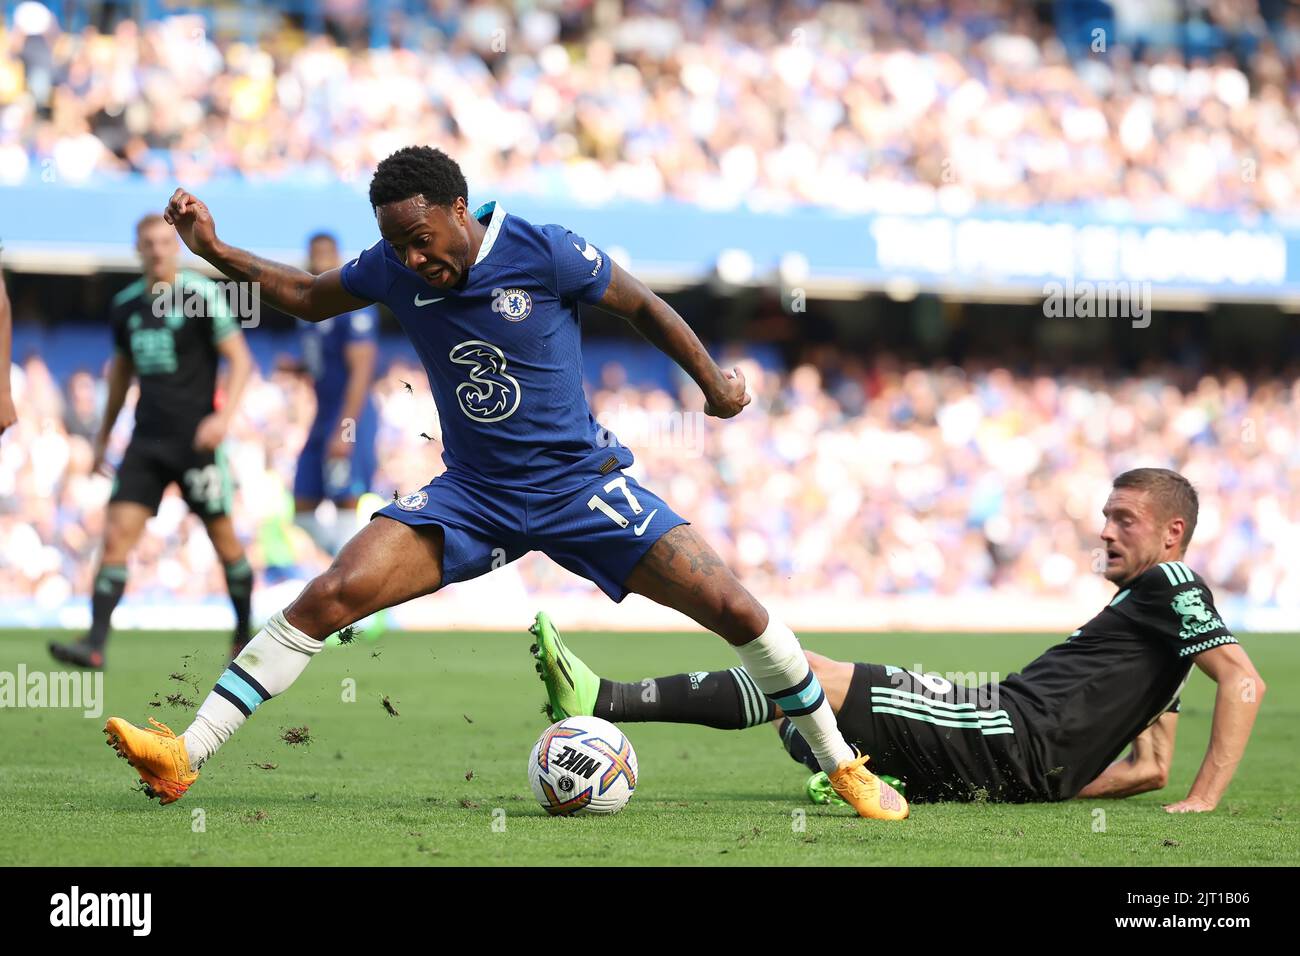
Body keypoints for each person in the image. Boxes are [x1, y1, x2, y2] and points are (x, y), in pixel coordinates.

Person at [102, 146, 904, 820]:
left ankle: (840, 764)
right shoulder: (392, 266)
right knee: (331, 592)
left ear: (460, 209)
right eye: (400, 248)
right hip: (474, 497)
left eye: (422, 239)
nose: (414, 261)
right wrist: (214, 250)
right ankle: (184, 754)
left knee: (736, 608)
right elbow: (311, 300)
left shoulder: (545, 249)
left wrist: (714, 383)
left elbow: (645, 305)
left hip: (578, 486)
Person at [532, 468, 1266, 813]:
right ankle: (864, 764)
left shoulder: (1173, 588)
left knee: (809, 670)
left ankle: (604, 698)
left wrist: (1205, 801)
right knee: (803, 716)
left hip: (1009, 726)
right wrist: (1049, 788)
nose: (1105, 530)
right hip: (1017, 747)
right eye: (1105, 514)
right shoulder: (1159, 621)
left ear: (1174, 533)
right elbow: (1150, 770)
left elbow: (1242, 682)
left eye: (1125, 519)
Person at [50, 215, 255, 668]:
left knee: (225, 543)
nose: (158, 250)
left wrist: (222, 418)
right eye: (149, 243)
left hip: (195, 444)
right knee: (117, 534)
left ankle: (244, 634)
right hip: (146, 443)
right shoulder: (125, 305)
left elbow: (240, 360)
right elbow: (122, 373)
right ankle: (95, 643)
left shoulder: (201, 296)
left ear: (176, 248)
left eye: (165, 242)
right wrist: (104, 437)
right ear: (138, 249)